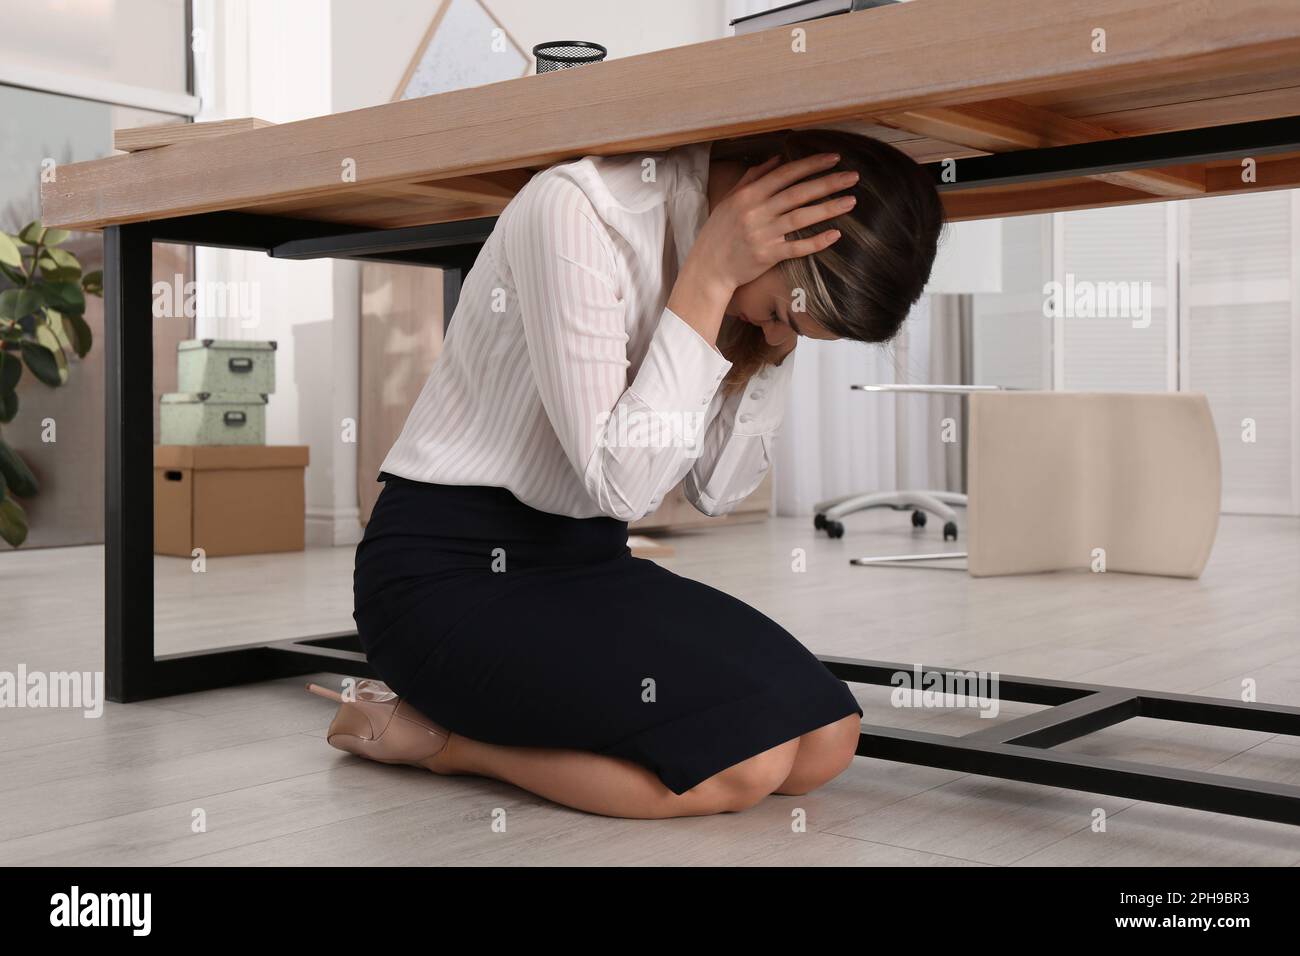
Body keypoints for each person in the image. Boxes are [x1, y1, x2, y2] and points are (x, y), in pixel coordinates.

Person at [308, 128, 946, 819]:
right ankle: (443, 741)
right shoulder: (576, 212)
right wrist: (705, 278)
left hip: (588, 565)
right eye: (784, 315)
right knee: (742, 764)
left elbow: (717, 489)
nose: (776, 336)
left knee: (829, 738)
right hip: (446, 577)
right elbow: (622, 488)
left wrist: (773, 337)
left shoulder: (757, 309)